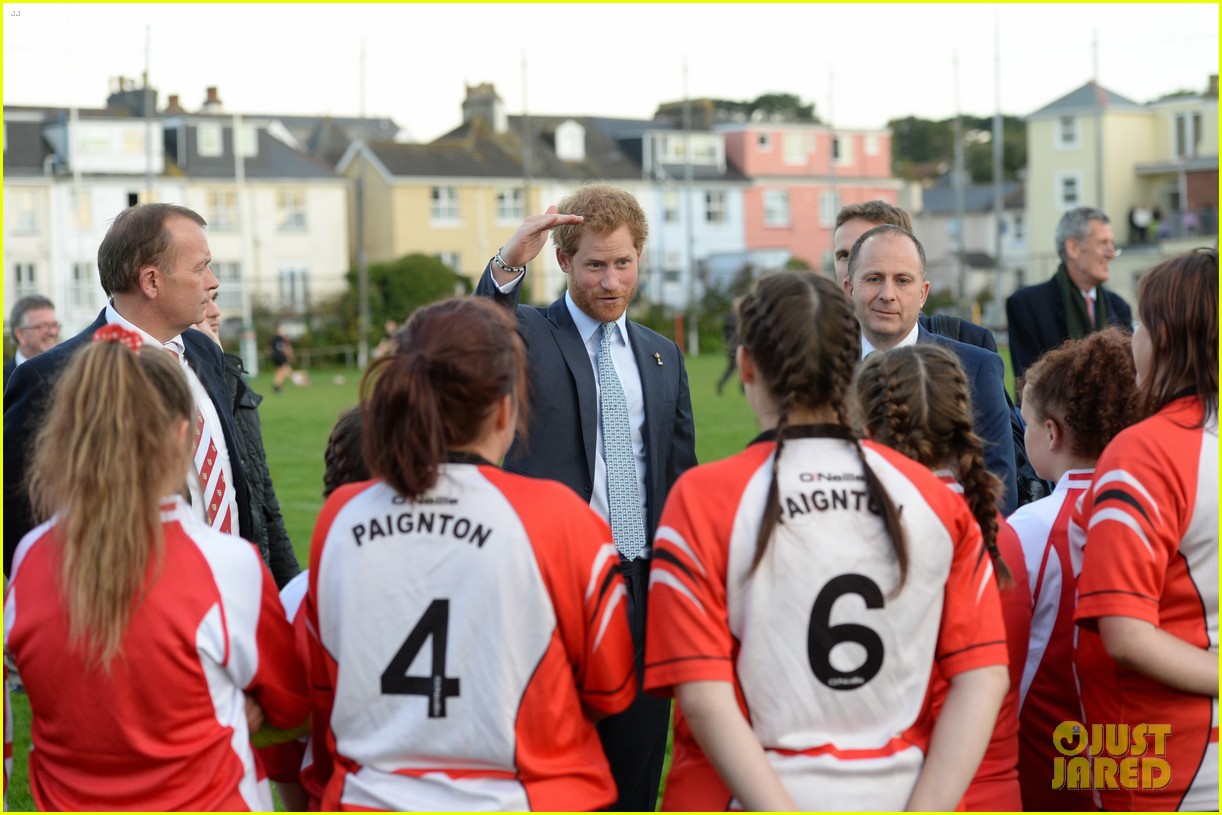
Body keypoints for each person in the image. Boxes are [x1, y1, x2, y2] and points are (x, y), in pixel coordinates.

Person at [643, 271, 1009, 811]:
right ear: (851, 368)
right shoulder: (934, 499)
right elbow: (982, 679)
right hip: (901, 791)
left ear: (746, 364)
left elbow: (703, 698)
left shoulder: (703, 498)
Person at [305, 297, 637, 810]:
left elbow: (323, 679)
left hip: (371, 797)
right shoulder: (562, 517)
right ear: (507, 408)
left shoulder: (341, 514)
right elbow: (610, 688)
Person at [3, 326, 308, 810]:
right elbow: (292, 702)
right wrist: (231, 710)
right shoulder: (225, 564)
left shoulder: (30, 558)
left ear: (63, 435)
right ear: (181, 434)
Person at [475, 182, 698, 810]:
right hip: (552, 594)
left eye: (623, 263)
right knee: (549, 780)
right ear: (565, 261)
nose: (610, 280)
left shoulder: (664, 355)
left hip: (642, 596)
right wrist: (507, 264)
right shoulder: (527, 333)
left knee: (634, 781)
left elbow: (680, 481)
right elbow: (476, 338)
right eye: (595, 264)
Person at [4, 203, 251, 576]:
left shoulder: (204, 352)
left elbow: (236, 484)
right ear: (151, 281)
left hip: (229, 597)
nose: (213, 281)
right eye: (200, 267)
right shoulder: (51, 378)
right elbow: (22, 531)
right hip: (129, 616)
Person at [854, 342, 1031, 811]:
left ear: (867, 433)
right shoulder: (1002, 534)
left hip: (905, 789)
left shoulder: (871, 538)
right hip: (995, 786)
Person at [1072, 248, 1218, 811]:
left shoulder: (1147, 450)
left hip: (1169, 770)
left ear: (1164, 335)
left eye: (1136, 322)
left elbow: (1127, 635)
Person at [1007, 327, 1137, 812]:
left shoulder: (1029, 527)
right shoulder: (1163, 509)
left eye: (1026, 423)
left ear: (1051, 433)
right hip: (1152, 756)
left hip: (1053, 762)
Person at [843, 223, 1019, 514]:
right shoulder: (826, 373)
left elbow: (1000, 491)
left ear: (923, 293)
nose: (887, 293)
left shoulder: (976, 368)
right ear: (849, 288)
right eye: (874, 278)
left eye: (902, 280)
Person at [195, 291, 301, 587]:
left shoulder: (232, 377)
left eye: (216, 298)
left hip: (248, 579)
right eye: (206, 301)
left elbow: (262, 493)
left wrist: (288, 585)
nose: (216, 312)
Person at [832, 200, 998, 352]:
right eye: (844, 255)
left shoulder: (968, 341)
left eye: (867, 249)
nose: (853, 264)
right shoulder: (815, 347)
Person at [1005, 207, 1133, 381]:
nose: (1111, 254)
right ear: (1073, 247)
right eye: (1103, 243)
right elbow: (1029, 384)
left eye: (1112, 244)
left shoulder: (1119, 307)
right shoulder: (1028, 305)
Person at [4, 294, 60, 388]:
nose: (52, 332)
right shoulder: (4, 378)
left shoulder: (70, 373)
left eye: (54, 325)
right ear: (20, 335)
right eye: (43, 326)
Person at [269, 323, 295, 393]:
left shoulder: (272, 338)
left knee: (280, 372)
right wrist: (290, 357)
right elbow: (286, 349)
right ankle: (278, 387)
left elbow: (269, 350)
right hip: (280, 356)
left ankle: (276, 387)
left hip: (275, 357)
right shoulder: (282, 338)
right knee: (286, 371)